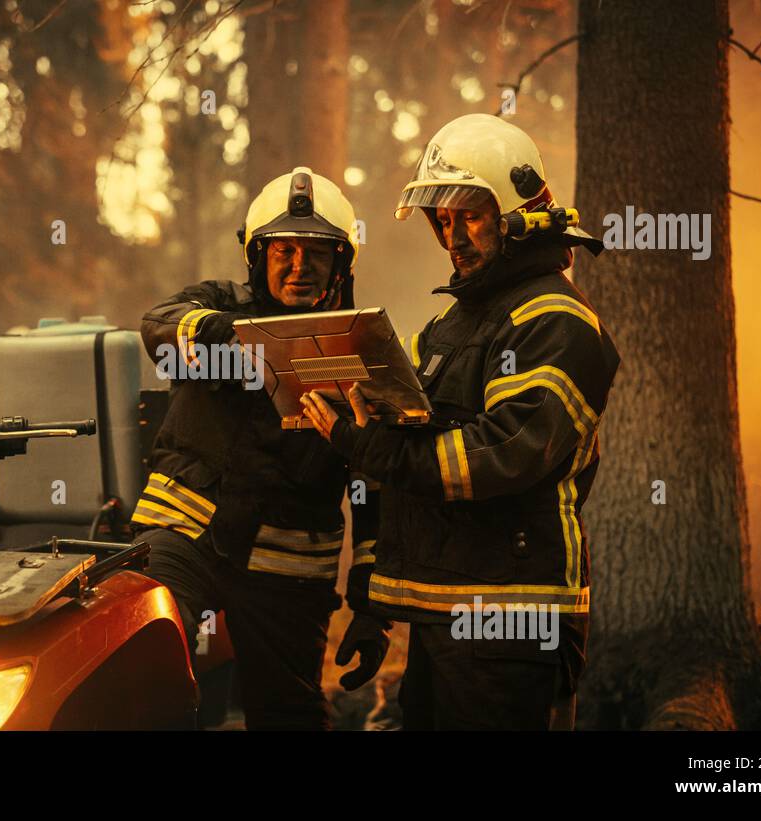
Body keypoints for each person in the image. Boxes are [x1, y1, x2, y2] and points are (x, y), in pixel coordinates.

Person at [301, 114, 620, 730]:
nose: (454, 237)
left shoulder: (557, 321)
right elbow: (405, 421)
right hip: (443, 606)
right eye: (442, 220)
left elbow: (498, 456)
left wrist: (365, 443)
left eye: (470, 214)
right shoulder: (456, 326)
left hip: (512, 617)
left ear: (517, 210)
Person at [131, 167, 389, 730]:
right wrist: (213, 333)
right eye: (284, 251)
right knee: (144, 664)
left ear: (341, 264)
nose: (299, 267)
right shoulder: (218, 306)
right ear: (256, 256)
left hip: (289, 566)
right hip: (187, 534)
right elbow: (157, 325)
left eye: (316, 254)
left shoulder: (359, 349)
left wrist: (371, 603)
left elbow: (375, 481)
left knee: (290, 715)